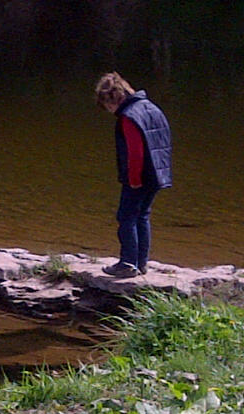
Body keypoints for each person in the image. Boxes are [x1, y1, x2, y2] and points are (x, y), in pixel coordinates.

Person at [95, 72, 172, 278]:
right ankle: (141, 263)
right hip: (158, 172)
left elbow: (135, 151)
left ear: (113, 99)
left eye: (107, 106)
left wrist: (134, 179)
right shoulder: (151, 108)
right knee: (142, 215)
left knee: (126, 217)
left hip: (140, 176)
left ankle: (128, 263)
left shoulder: (129, 117)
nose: (109, 111)